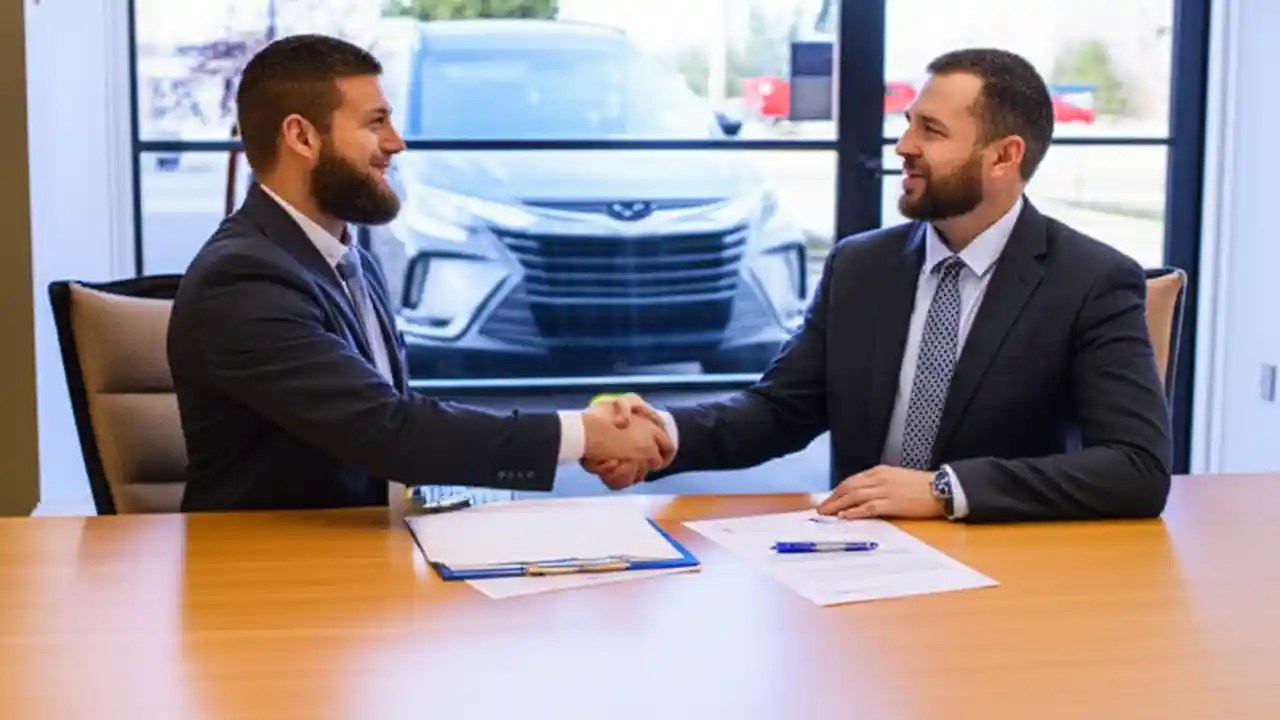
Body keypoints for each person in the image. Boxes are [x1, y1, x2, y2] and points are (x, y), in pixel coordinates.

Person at [587, 48, 1173, 523]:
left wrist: (946, 490)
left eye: (932, 130)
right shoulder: (861, 266)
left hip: (1008, 569)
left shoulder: (1092, 280)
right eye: (909, 124)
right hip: (861, 560)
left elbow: (1136, 469)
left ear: (1004, 157)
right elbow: (779, 411)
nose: (904, 146)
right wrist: (662, 435)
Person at [168, 34, 673, 512]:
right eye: (375, 123)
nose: (396, 143)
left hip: (363, 549)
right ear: (302, 136)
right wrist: (584, 434)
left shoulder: (345, 258)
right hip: (272, 575)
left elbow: (391, 411)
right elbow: (389, 431)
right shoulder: (243, 280)